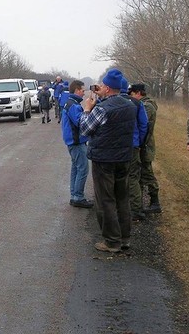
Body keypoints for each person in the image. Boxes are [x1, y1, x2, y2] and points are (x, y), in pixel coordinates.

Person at [80, 69, 137, 253]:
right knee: (122, 198)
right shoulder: (130, 106)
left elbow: (85, 129)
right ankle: (124, 237)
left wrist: (87, 110)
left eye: (103, 85)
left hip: (104, 159)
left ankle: (112, 241)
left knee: (106, 200)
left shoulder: (102, 109)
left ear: (107, 87)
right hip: (124, 157)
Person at [129, 83, 161, 213]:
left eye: (131, 94)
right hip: (143, 144)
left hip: (145, 145)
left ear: (138, 93)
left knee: (147, 174)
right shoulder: (144, 104)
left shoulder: (147, 106)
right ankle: (138, 203)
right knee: (140, 174)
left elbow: (143, 125)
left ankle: (155, 201)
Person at [62, 80, 94, 208]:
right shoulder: (74, 105)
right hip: (76, 142)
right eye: (82, 90)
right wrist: (88, 109)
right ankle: (78, 197)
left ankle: (75, 195)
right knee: (83, 169)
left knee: (76, 168)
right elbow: (81, 122)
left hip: (72, 142)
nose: (83, 93)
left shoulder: (69, 103)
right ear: (76, 90)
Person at [120, 78, 148, 221]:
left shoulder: (113, 102)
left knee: (118, 176)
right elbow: (144, 125)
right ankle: (136, 209)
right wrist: (138, 141)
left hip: (117, 147)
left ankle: (120, 207)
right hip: (133, 145)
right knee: (133, 177)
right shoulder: (138, 104)